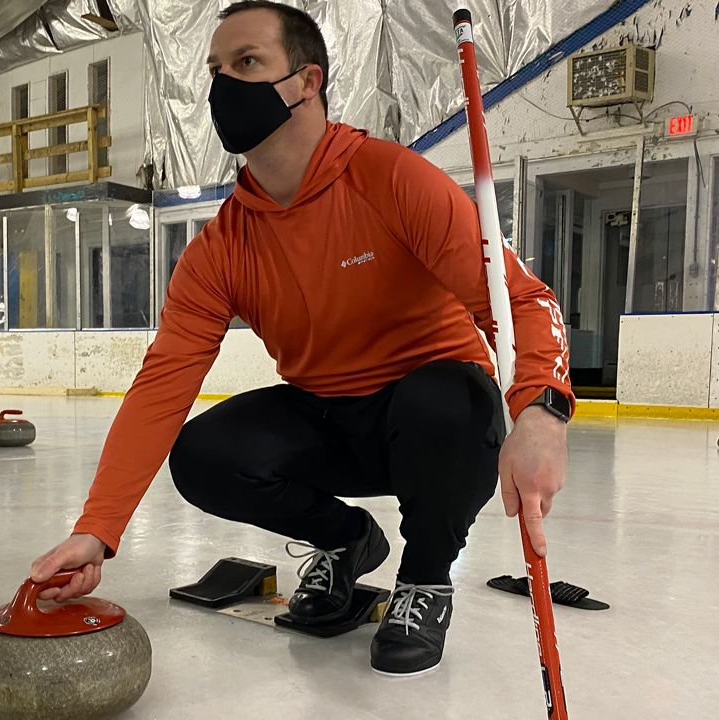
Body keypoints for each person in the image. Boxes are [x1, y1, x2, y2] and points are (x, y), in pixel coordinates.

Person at [29, 0, 573, 677]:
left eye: (248, 62)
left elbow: (521, 299)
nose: (224, 85)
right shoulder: (222, 246)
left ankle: (425, 581)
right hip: (328, 416)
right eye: (216, 69)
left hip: (430, 414)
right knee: (202, 454)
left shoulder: (391, 179)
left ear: (307, 81)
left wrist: (542, 408)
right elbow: (162, 384)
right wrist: (97, 530)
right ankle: (347, 541)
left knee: (450, 399)